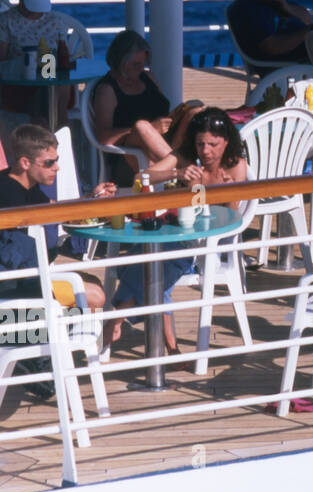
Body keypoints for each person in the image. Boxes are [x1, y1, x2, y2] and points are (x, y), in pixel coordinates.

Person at [109, 108, 251, 349]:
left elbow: (231, 220)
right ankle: (170, 347)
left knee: (146, 265)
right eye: (200, 144)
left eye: (213, 144)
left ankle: (116, 318)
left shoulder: (234, 166)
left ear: (226, 141)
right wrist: (177, 173)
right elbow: (141, 178)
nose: (205, 151)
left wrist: (225, 193)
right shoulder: (186, 157)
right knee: (148, 264)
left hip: (210, 245)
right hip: (178, 235)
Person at [0, 124, 112, 308]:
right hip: (13, 284)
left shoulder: (24, 184)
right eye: (49, 163)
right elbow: (55, 213)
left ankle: (67, 333)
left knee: (93, 282)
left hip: (28, 273)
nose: (57, 168)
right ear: (25, 163)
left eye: (56, 160)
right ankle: (56, 333)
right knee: (95, 295)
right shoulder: (8, 196)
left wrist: (93, 197)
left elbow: (56, 209)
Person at [90, 30, 200, 187]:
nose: (141, 68)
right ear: (121, 61)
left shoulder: (147, 78)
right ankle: (192, 175)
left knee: (195, 111)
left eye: (143, 64)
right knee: (142, 127)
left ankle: (199, 170)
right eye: (136, 65)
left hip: (164, 149)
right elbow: (103, 136)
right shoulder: (107, 89)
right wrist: (149, 129)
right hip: (132, 156)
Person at [0, 0, 76, 128]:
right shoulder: (6, 21)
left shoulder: (55, 22)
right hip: (18, 82)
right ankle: (56, 127)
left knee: (57, 83)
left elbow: (63, 58)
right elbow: (2, 61)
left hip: (49, 79)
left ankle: (55, 125)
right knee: (54, 88)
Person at [227, 0, 311, 72]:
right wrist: (307, 34)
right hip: (283, 61)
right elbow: (271, 47)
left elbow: (307, 19)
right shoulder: (246, 11)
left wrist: (287, 7)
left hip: (303, 49)